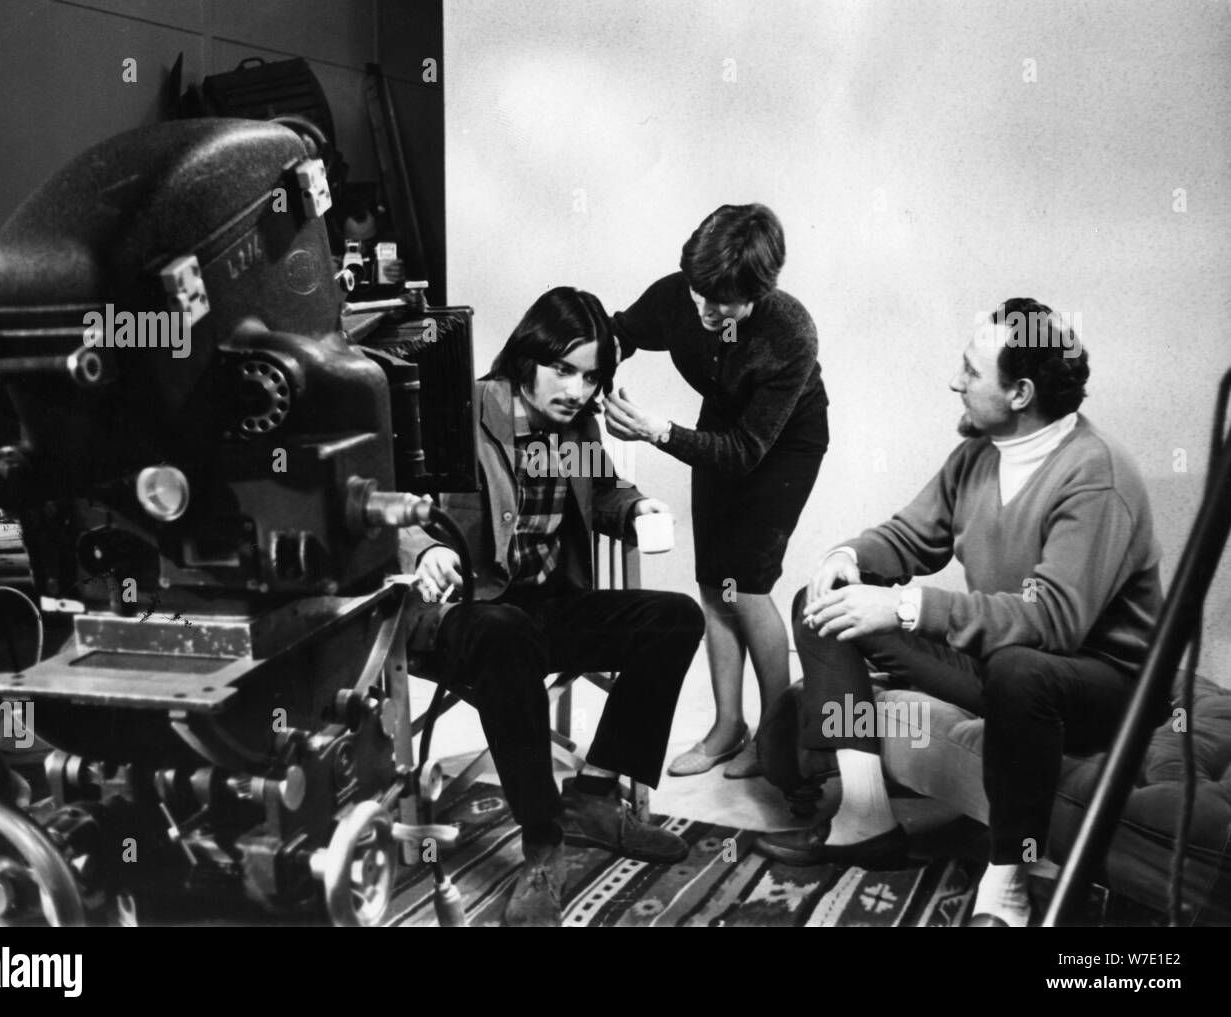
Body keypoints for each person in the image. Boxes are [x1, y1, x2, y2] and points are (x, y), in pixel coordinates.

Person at [753, 299, 1162, 927]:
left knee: (1021, 670)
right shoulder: (981, 452)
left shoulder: (1095, 474)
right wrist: (848, 556)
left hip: (1098, 688)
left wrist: (906, 605)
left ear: (1021, 392)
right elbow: (910, 537)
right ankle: (865, 819)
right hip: (998, 669)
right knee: (822, 605)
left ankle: (1007, 888)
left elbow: (1053, 622)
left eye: (971, 371)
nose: (954, 381)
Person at [400, 286, 705, 927]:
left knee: (676, 617)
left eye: (590, 376)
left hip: (544, 610)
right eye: (563, 368)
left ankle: (593, 794)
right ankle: (543, 836)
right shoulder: (463, 410)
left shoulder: (575, 429)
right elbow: (395, 499)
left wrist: (636, 506)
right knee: (506, 632)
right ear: (528, 355)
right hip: (466, 615)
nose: (576, 389)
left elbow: (604, 491)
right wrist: (421, 549)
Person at [605, 204, 828, 778]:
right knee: (714, 584)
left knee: (748, 588)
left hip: (780, 444)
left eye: (722, 301)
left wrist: (656, 431)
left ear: (760, 290)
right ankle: (729, 728)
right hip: (721, 429)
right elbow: (618, 335)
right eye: (699, 292)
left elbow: (746, 452)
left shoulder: (790, 332)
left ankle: (779, 739)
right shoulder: (684, 294)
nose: (705, 309)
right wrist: (594, 385)